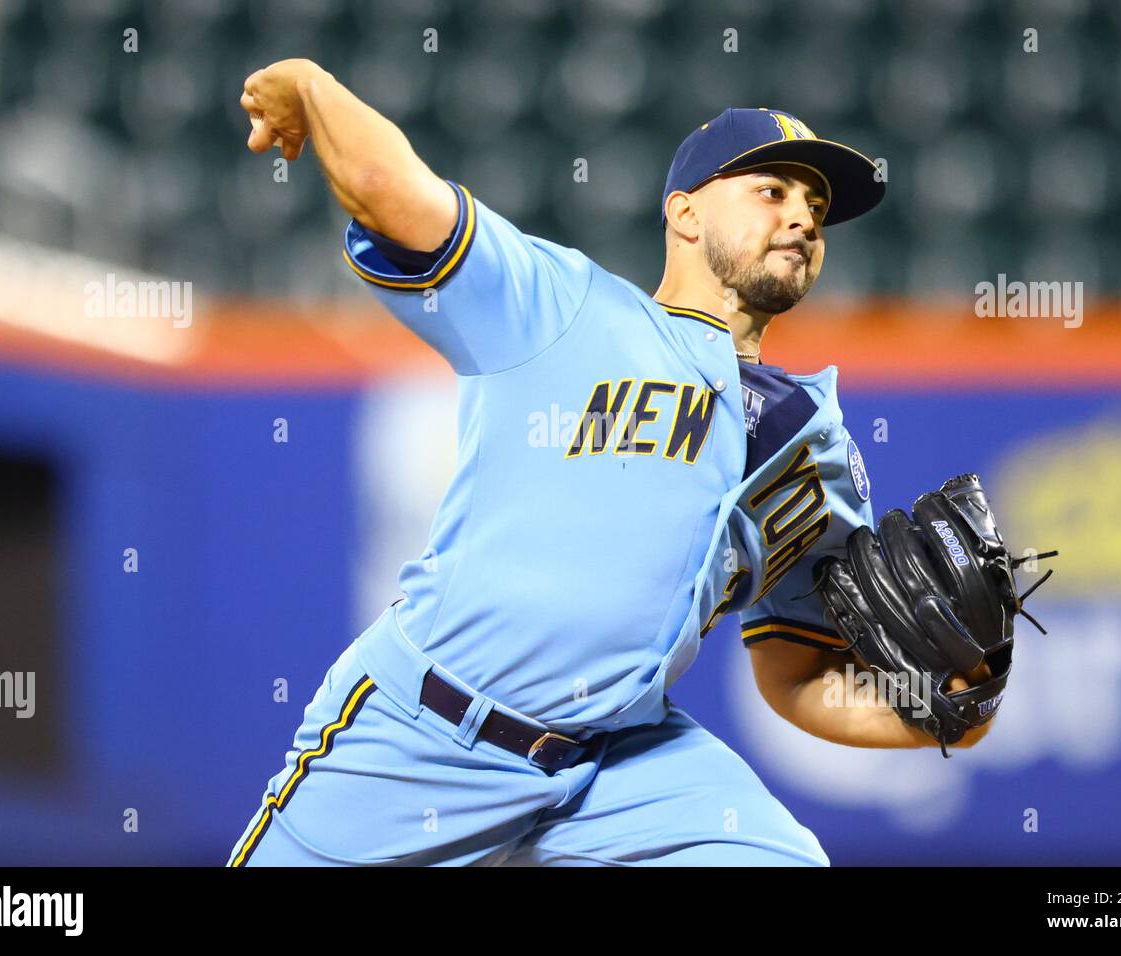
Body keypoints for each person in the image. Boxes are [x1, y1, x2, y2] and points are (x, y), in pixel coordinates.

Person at [228, 59, 989, 868]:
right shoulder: (561, 306)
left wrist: (944, 708)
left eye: (817, 207)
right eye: (773, 191)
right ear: (684, 213)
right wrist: (310, 85)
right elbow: (387, 189)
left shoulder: (812, 443)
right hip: (427, 733)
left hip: (620, 767)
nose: (803, 217)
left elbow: (795, 676)